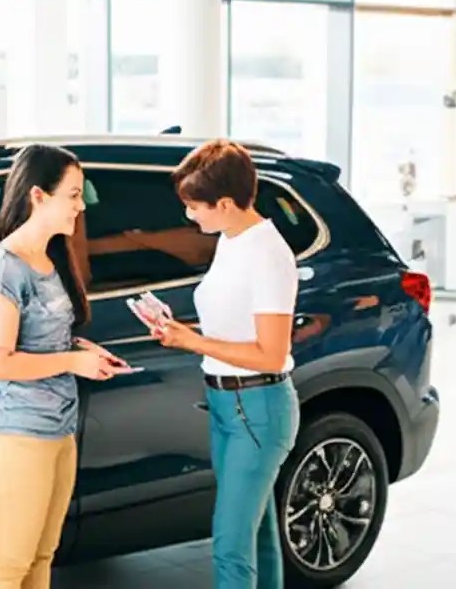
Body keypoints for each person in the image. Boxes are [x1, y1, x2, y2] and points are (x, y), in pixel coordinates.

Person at [0, 144, 127, 589]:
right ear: (38, 196)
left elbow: (45, 337)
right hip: (17, 434)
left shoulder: (50, 257)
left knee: (42, 558)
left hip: (58, 429)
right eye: (74, 195)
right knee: (10, 563)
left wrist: (84, 351)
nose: (81, 206)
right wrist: (73, 361)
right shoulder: (5, 270)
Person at [151, 138, 301, 589]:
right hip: (227, 405)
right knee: (257, 537)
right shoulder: (232, 240)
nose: (189, 215)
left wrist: (192, 341)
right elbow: (232, 321)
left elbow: (270, 353)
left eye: (194, 206)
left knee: (230, 547)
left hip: (258, 408)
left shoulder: (268, 254)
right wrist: (178, 328)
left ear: (226, 203)